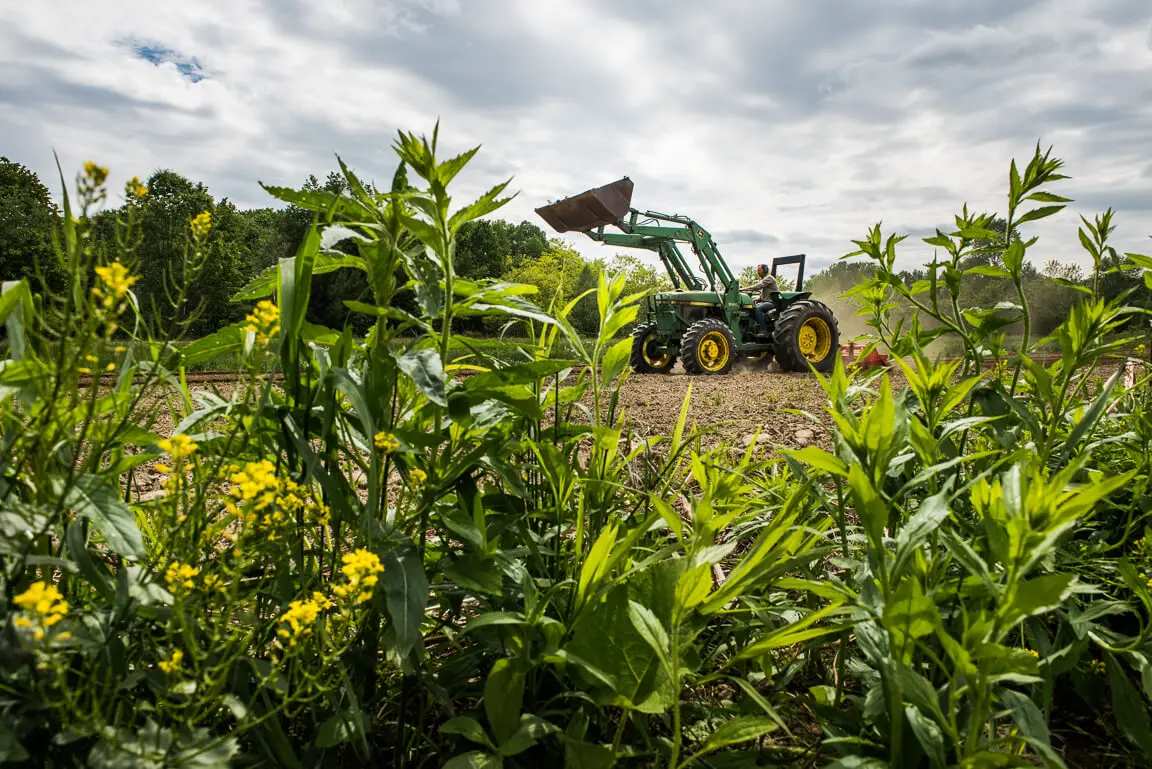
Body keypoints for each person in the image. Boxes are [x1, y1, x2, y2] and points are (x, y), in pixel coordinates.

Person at [740, 264, 781, 332]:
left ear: (765, 270)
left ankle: (763, 330)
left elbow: (758, 286)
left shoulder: (769, 278)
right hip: (765, 301)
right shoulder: (764, 279)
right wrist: (758, 299)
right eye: (757, 270)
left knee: (758, 309)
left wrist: (742, 289)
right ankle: (754, 327)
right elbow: (765, 292)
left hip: (772, 303)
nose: (757, 272)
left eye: (759, 270)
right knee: (750, 308)